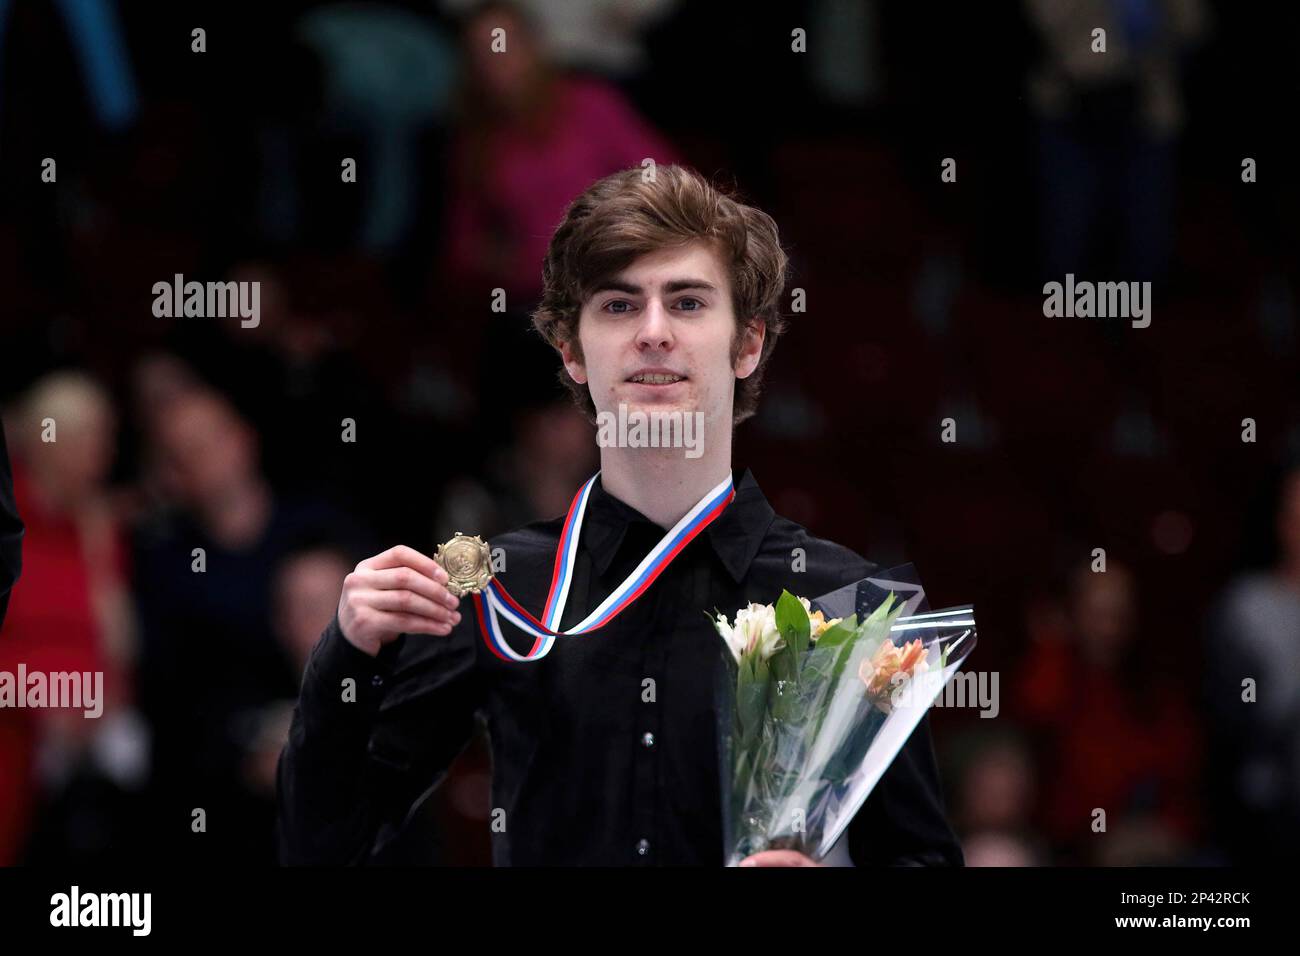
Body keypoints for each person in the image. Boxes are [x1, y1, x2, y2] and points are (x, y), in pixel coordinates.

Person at [277, 164, 964, 867]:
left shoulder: (844, 605)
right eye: (619, 305)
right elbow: (324, 846)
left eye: (689, 303)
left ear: (749, 343)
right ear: (571, 351)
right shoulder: (498, 588)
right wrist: (346, 652)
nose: (654, 332)